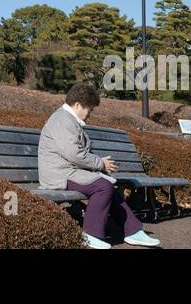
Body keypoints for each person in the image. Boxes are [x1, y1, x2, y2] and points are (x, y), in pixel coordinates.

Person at [37, 83, 160, 249]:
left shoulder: (67, 120)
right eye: (90, 109)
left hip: (69, 171)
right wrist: (100, 163)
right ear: (78, 104)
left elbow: (75, 155)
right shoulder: (62, 120)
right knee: (102, 187)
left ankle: (132, 231)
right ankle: (90, 234)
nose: (90, 114)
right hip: (59, 175)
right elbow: (74, 154)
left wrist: (98, 166)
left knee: (107, 185)